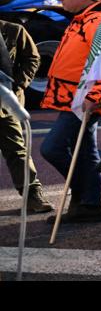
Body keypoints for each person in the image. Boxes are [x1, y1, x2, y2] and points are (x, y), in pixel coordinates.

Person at [39, 0, 101, 223]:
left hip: (83, 99)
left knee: (52, 148)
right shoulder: (85, 19)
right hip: (74, 97)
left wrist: (96, 95)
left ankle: (85, 195)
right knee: (86, 151)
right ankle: (89, 204)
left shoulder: (100, 22)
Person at [0, 18, 52, 214]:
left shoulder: (13, 30)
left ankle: (33, 195)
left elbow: (32, 58)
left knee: (16, 150)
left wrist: (18, 84)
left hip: (6, 103)